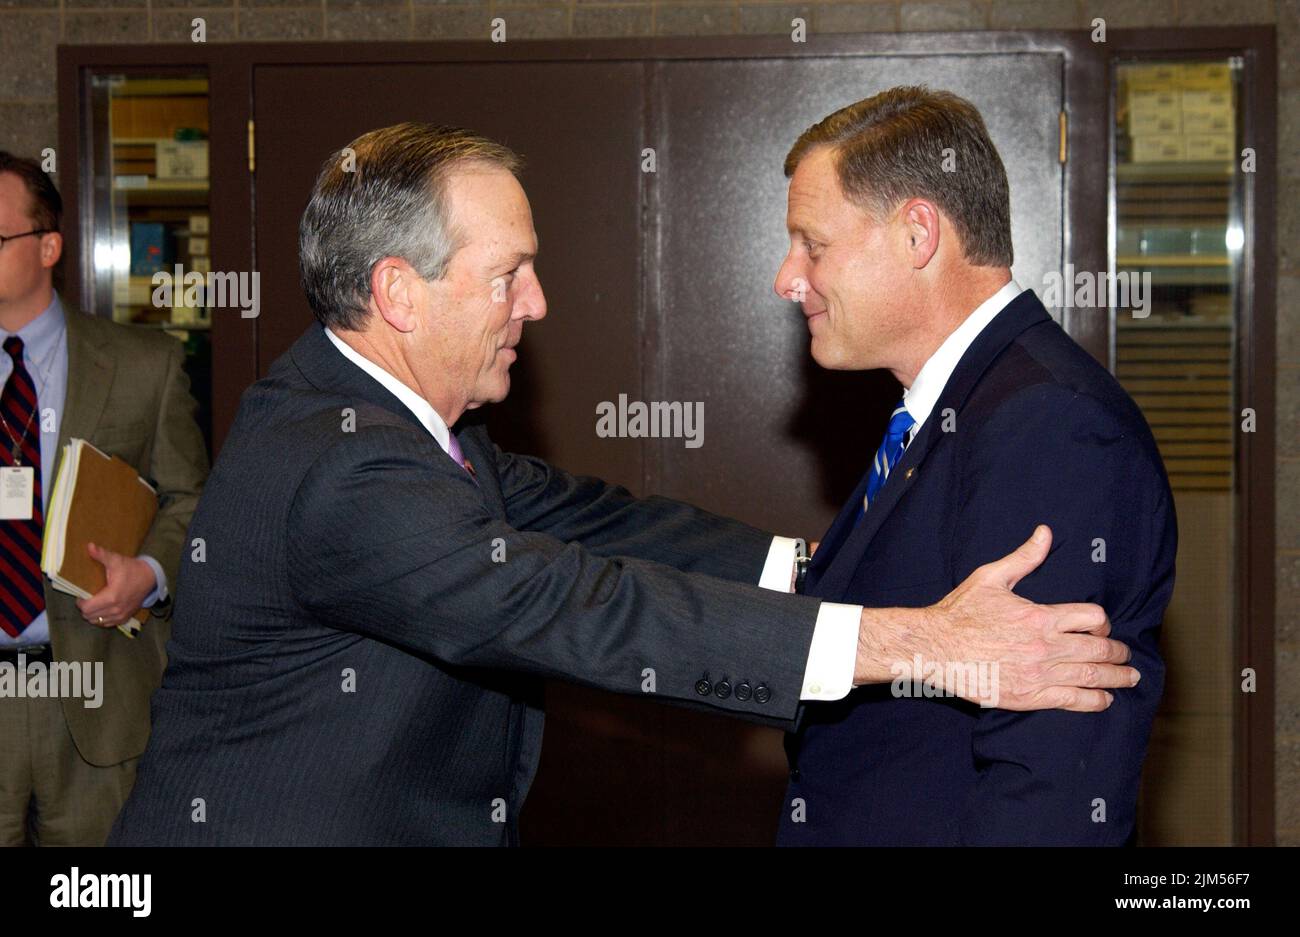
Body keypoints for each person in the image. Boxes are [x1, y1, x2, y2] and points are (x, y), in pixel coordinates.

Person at [109, 123, 1137, 846]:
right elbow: (565, 600)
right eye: (509, 273)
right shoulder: (342, 464)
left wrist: (823, 567)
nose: (539, 302)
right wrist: (918, 640)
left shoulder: (406, 429)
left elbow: (600, 526)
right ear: (397, 293)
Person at [772, 87, 1175, 845]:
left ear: (918, 233)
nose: (788, 277)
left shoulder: (1047, 422)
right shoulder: (962, 401)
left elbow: (1049, 784)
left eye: (812, 244)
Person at [0, 151, 209, 845]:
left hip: (94, 689)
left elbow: (191, 498)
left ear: (48, 245)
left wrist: (147, 576)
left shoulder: (143, 364)